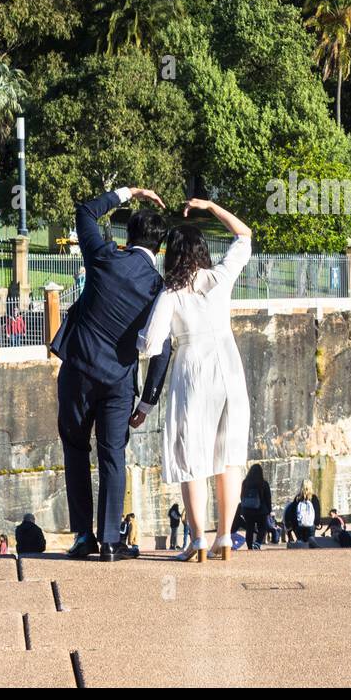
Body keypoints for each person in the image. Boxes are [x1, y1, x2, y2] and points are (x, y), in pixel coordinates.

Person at [50, 183, 172, 562]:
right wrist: (148, 402)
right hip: (119, 382)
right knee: (112, 456)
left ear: (127, 236)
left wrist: (127, 192)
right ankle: (110, 542)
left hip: (78, 369)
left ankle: (84, 536)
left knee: (74, 450)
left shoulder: (104, 257)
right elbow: (162, 348)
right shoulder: (158, 288)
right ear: (159, 247)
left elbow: (85, 212)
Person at [138, 197, 253, 563]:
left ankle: (197, 539)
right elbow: (244, 235)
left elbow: (151, 344)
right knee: (228, 456)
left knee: (193, 457)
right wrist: (211, 206)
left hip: (192, 370)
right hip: (228, 365)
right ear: (202, 252)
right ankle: (224, 536)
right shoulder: (220, 278)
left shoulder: (171, 294)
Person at [239, 464, 272, 551]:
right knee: (262, 528)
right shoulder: (263, 483)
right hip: (260, 510)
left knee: (249, 528)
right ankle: (257, 543)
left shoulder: (245, 483)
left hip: (248, 510)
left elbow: (241, 496)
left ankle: (249, 546)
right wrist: (269, 510)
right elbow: (268, 498)